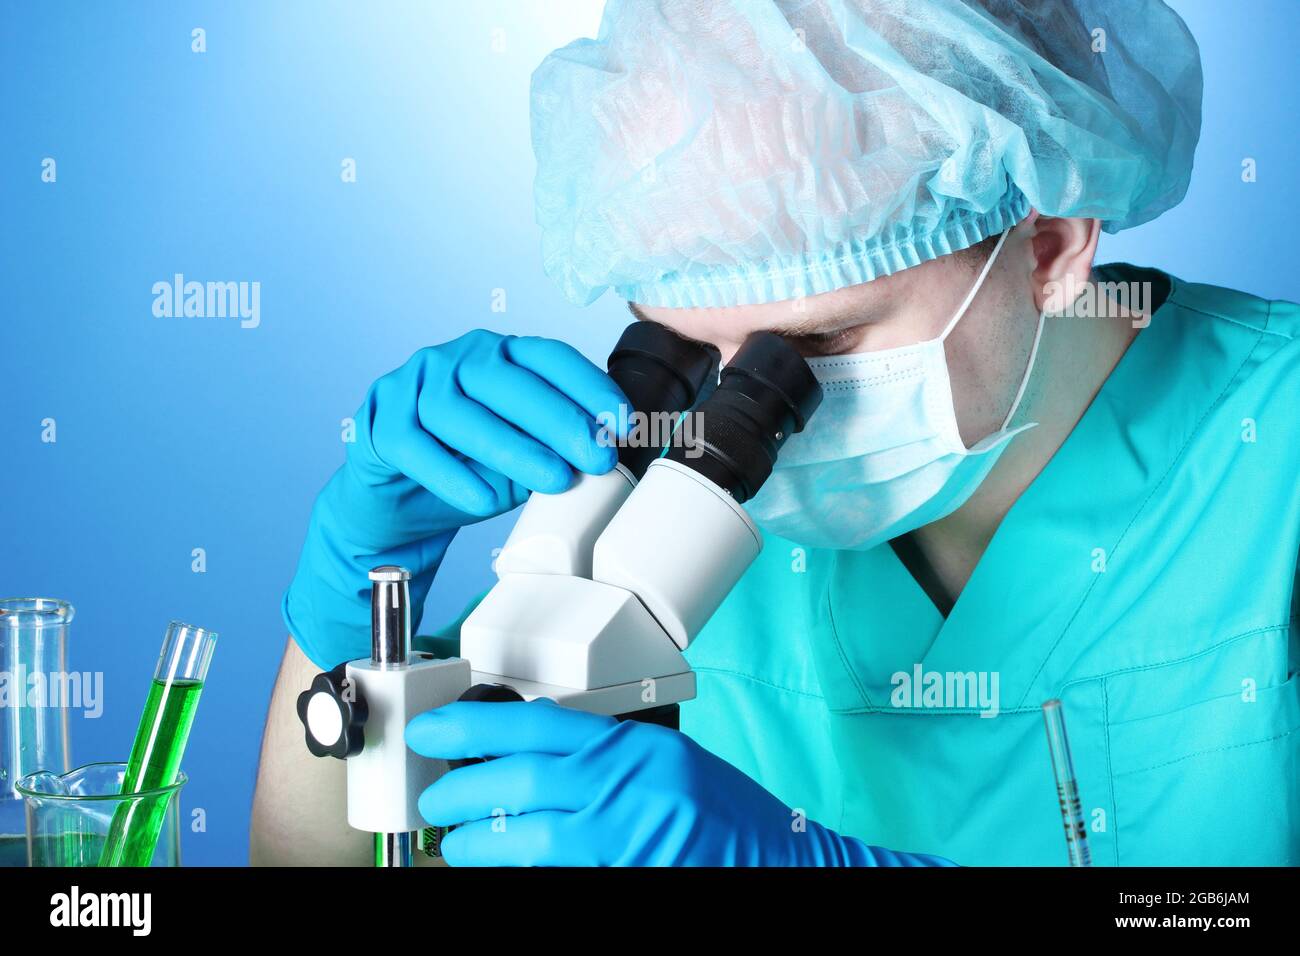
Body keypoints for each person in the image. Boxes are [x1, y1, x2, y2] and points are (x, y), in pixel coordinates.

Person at [251, 0, 1299, 866]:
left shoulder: (1274, 454)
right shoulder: (649, 526)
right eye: (687, 351)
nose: (745, 417)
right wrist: (345, 629)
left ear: (1048, 244)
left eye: (813, 342)